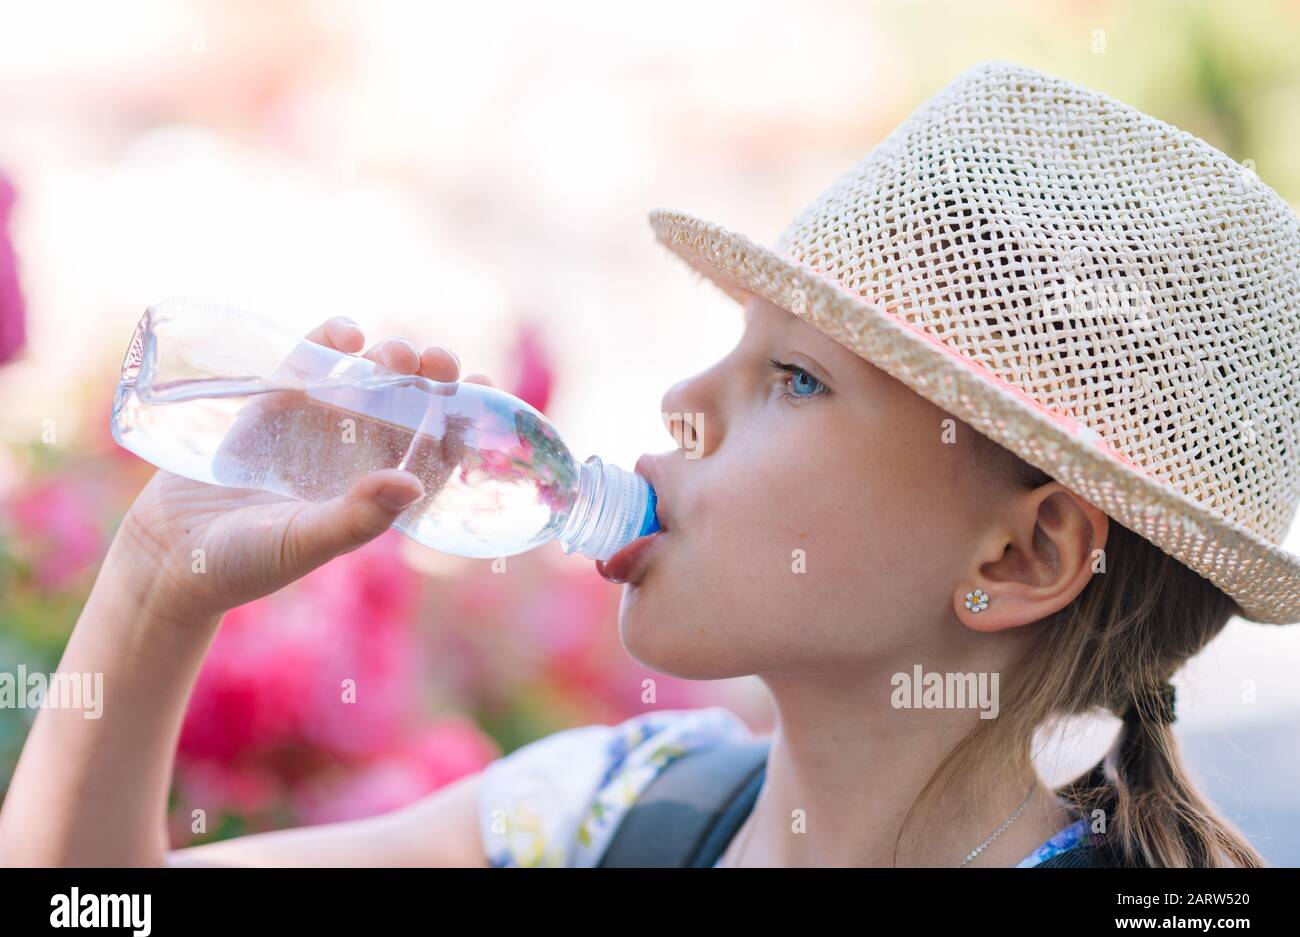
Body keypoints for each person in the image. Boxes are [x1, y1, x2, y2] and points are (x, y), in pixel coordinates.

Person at [2, 60, 1296, 868]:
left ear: (1022, 551)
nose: (683, 400)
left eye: (794, 378)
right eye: (733, 347)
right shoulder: (608, 811)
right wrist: (158, 579)